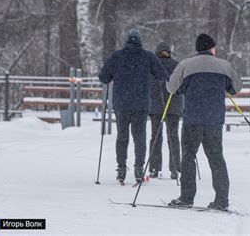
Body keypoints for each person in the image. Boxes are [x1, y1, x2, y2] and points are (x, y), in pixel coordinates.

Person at [166, 33, 242, 211]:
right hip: (214, 120)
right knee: (216, 159)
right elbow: (236, 88)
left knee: (188, 157)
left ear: (197, 48)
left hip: (193, 118)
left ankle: (186, 197)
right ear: (211, 48)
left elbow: (172, 88)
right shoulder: (225, 66)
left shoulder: (185, 64)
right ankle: (221, 200)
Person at [98, 29, 167, 185]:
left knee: (122, 136)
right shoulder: (148, 56)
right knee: (140, 137)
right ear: (140, 42)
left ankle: (121, 169)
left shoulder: (117, 56)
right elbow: (162, 75)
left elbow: (103, 77)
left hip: (121, 103)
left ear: (126, 41)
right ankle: (139, 168)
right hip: (141, 104)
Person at [148, 42, 183, 179]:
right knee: (173, 137)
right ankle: (175, 169)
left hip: (156, 106)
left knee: (155, 137)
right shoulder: (177, 65)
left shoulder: (152, 65)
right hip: (174, 106)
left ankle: (154, 169)